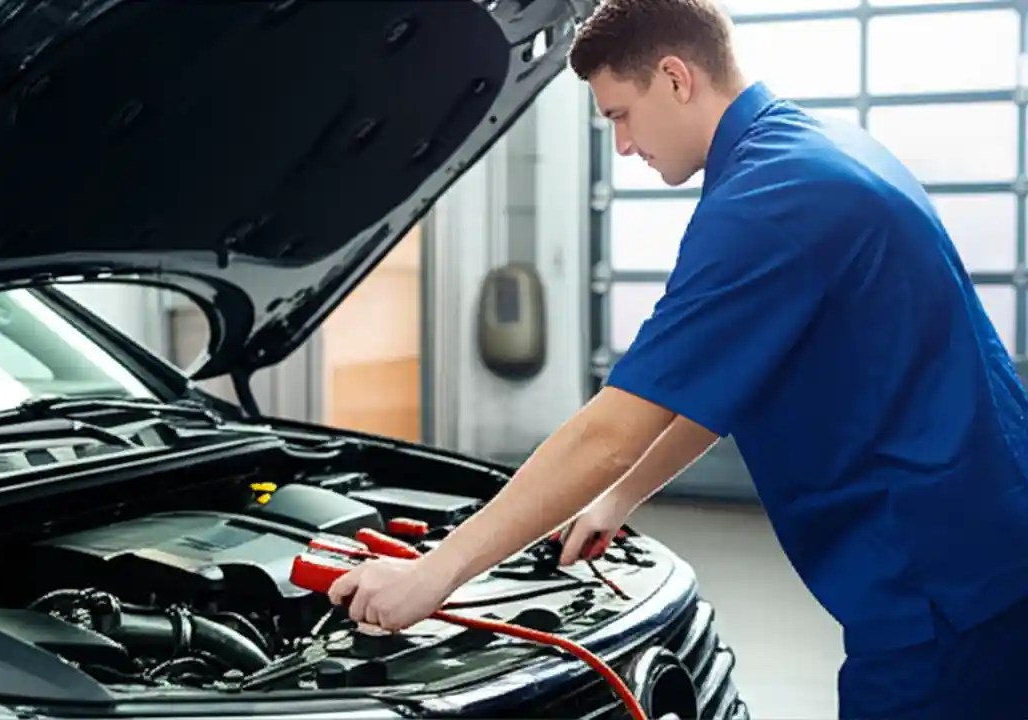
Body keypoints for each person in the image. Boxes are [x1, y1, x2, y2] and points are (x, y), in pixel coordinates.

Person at [327, 0, 1028, 717]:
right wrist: (622, 495)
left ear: (674, 77)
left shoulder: (770, 203)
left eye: (619, 115)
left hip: (946, 583)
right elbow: (722, 379)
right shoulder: (811, 151)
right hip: (986, 539)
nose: (623, 145)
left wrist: (435, 575)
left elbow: (608, 434)